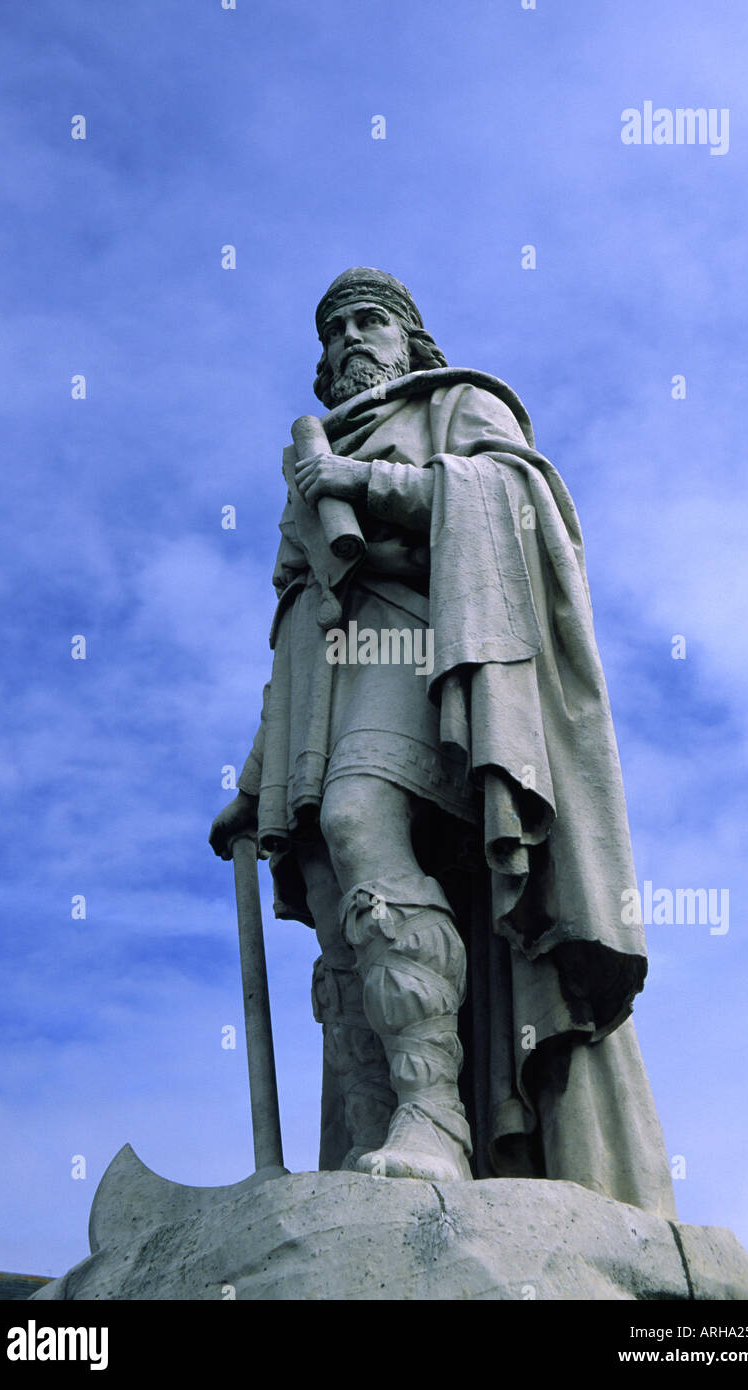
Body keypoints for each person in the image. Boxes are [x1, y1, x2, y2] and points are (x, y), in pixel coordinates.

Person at [210, 267, 676, 1216]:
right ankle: (376, 1136)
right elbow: (295, 618)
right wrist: (257, 775)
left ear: (410, 337)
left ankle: (436, 1121)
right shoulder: (309, 463)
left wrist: (364, 483)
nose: (346, 340)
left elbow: (514, 503)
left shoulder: (457, 403)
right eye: (332, 328)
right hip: (322, 685)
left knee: (358, 818)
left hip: (424, 653)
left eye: (367, 320)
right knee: (340, 894)